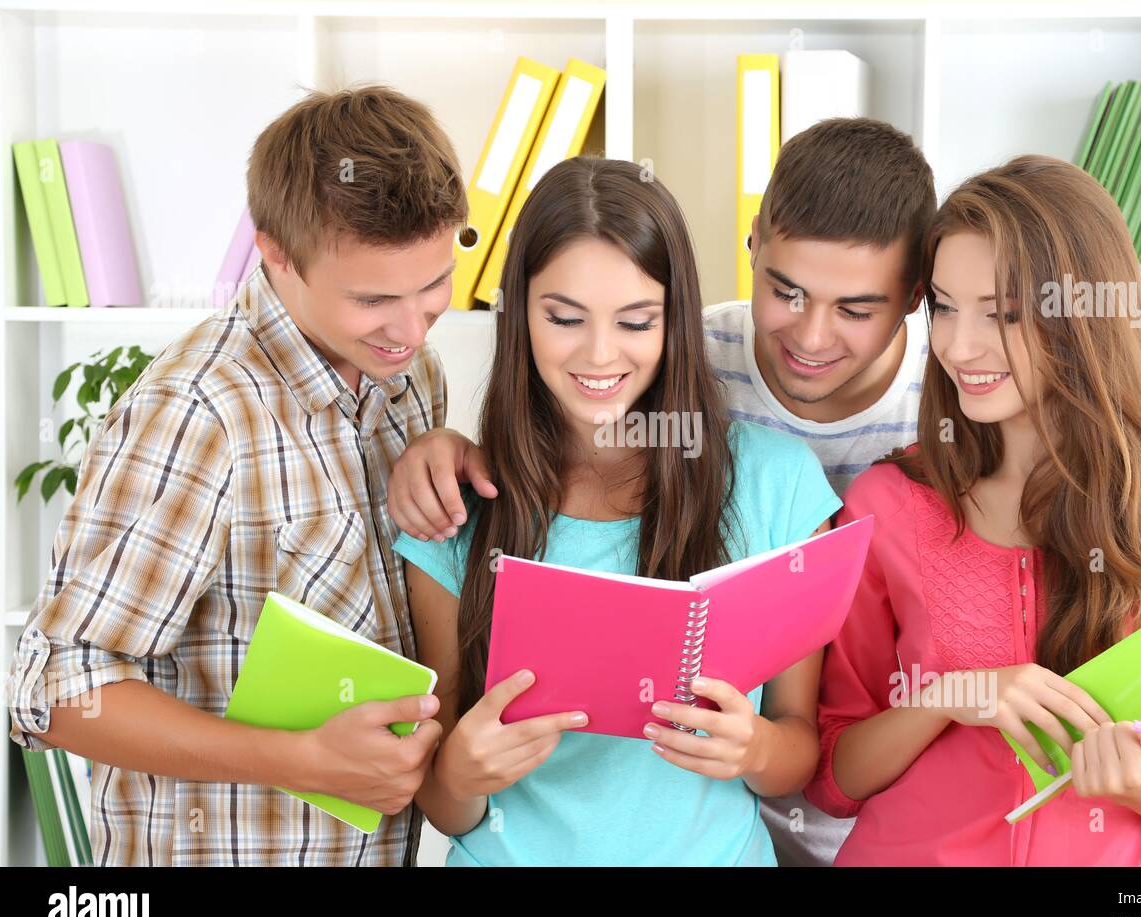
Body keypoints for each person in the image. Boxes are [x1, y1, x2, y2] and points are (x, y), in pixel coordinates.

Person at [385, 117, 936, 865]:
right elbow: (446, 803)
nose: (600, 354)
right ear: (518, 313)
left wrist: (752, 747)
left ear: (675, 323)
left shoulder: (778, 484)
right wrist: (460, 770)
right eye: (563, 318)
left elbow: (799, 748)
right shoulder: (456, 508)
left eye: (637, 321)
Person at [6, 86, 467, 865]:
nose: (411, 327)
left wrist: (446, 450)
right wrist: (297, 760)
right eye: (373, 298)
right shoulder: (198, 413)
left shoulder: (411, 377)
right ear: (275, 254)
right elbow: (49, 694)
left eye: (432, 286)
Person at [806, 155, 1141, 865]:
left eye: (1004, 314)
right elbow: (835, 776)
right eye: (946, 307)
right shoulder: (888, 507)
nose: (959, 346)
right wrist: (951, 697)